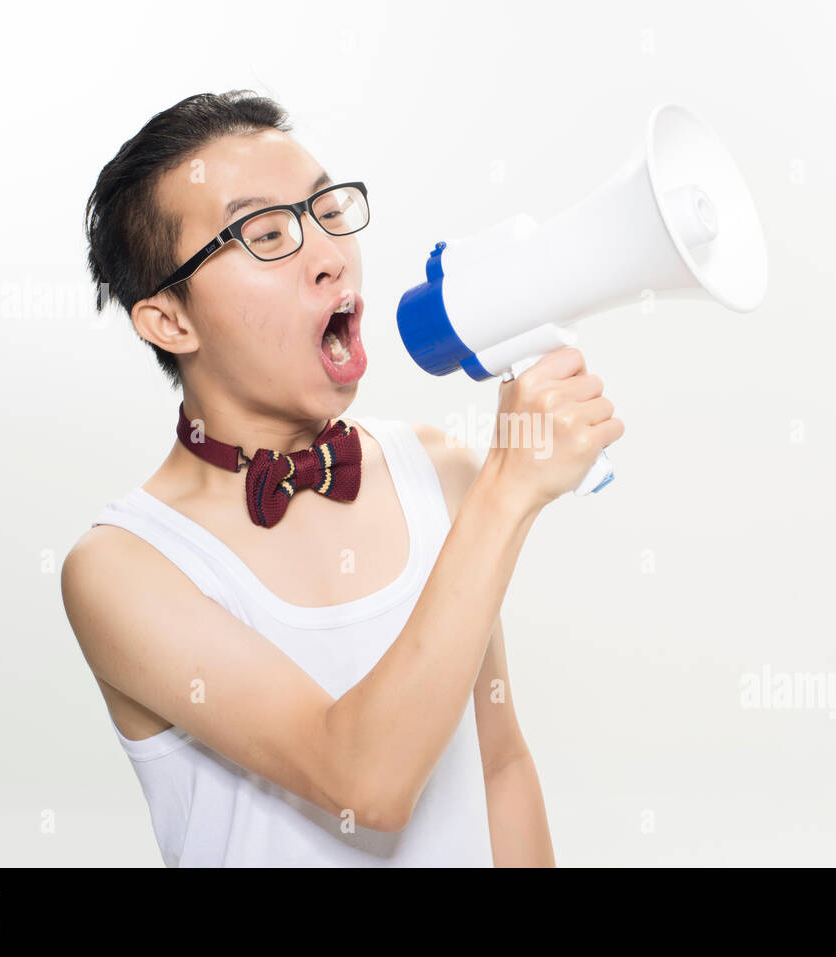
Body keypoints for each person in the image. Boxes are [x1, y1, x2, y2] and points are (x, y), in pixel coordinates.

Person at [61, 90, 624, 867]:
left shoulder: (442, 471)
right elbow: (365, 781)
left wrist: (493, 484)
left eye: (327, 210)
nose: (328, 253)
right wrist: (511, 489)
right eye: (265, 233)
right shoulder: (122, 569)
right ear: (169, 321)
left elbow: (499, 765)